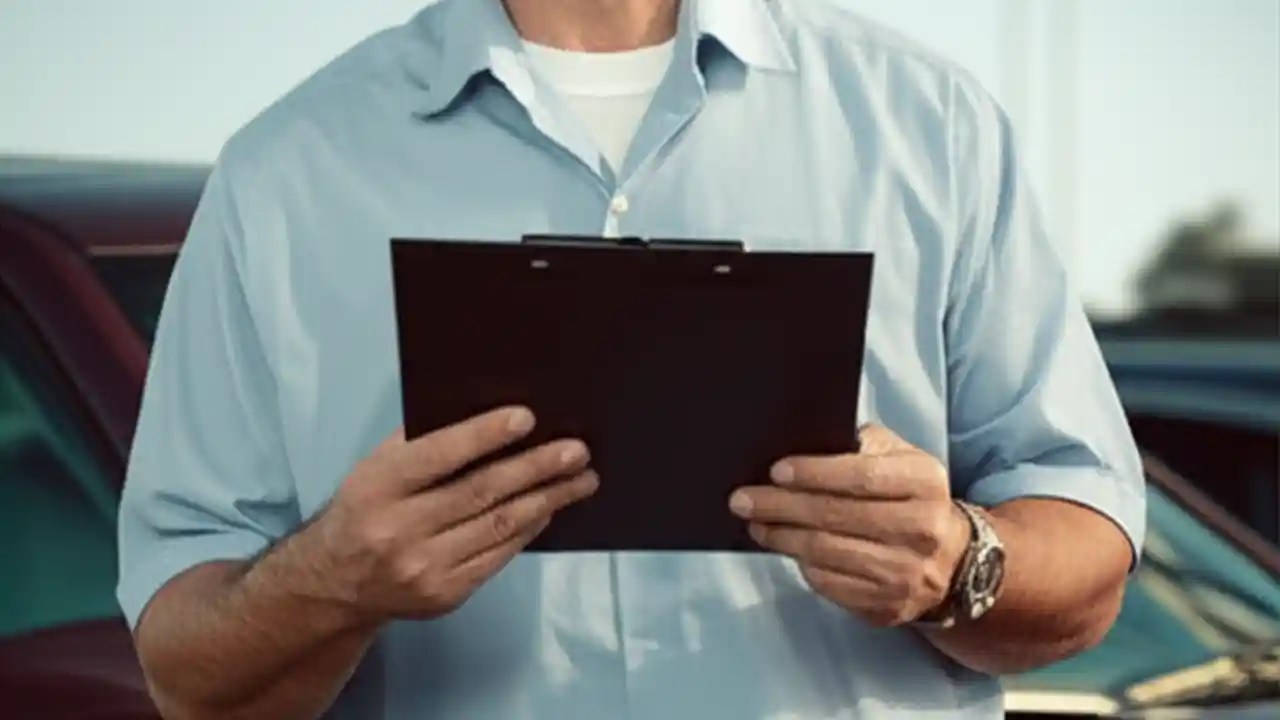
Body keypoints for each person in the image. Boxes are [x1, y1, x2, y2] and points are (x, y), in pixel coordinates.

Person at [116, 1, 1145, 718]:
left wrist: (951, 562)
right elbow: (190, 683)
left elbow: (1087, 568)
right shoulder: (282, 174)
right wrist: (334, 581)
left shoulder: (932, 128)